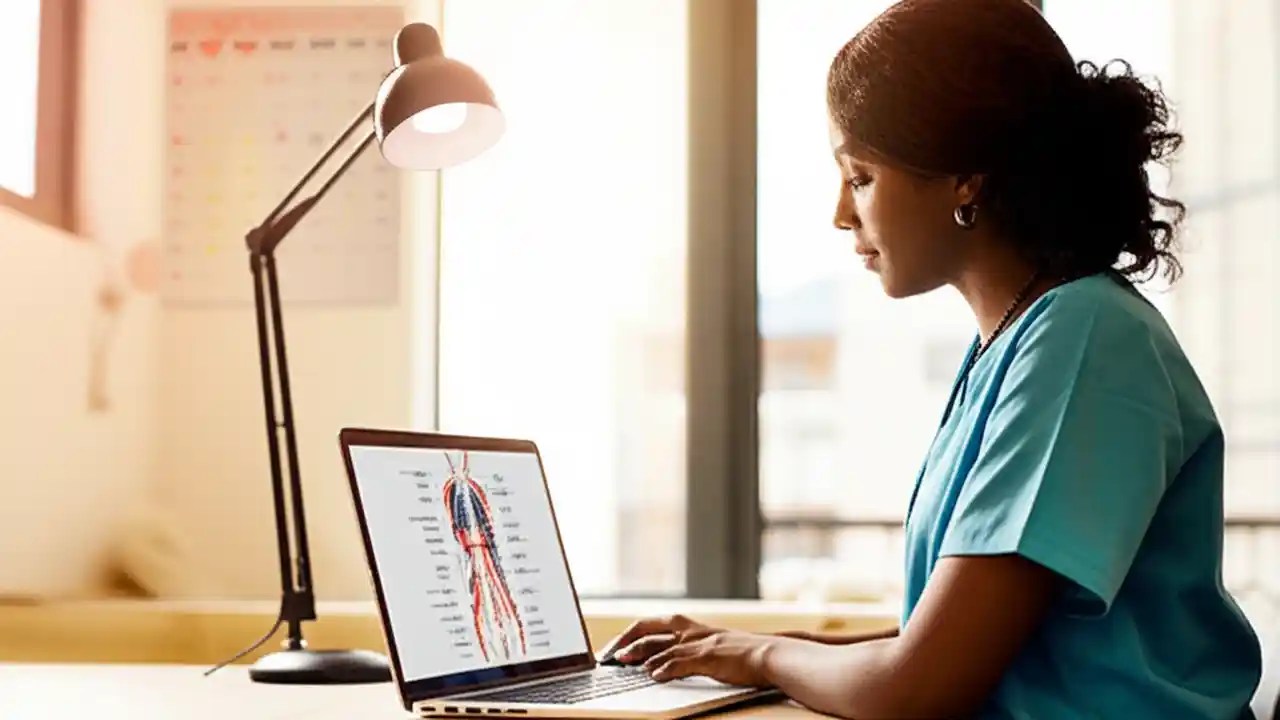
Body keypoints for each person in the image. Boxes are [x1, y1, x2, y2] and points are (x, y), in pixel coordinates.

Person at [599, 0, 1264, 717]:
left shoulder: (1083, 339)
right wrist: (744, 645)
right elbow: (951, 643)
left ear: (964, 177)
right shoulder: (1020, 339)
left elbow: (920, 684)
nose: (840, 214)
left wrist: (760, 654)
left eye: (860, 176)